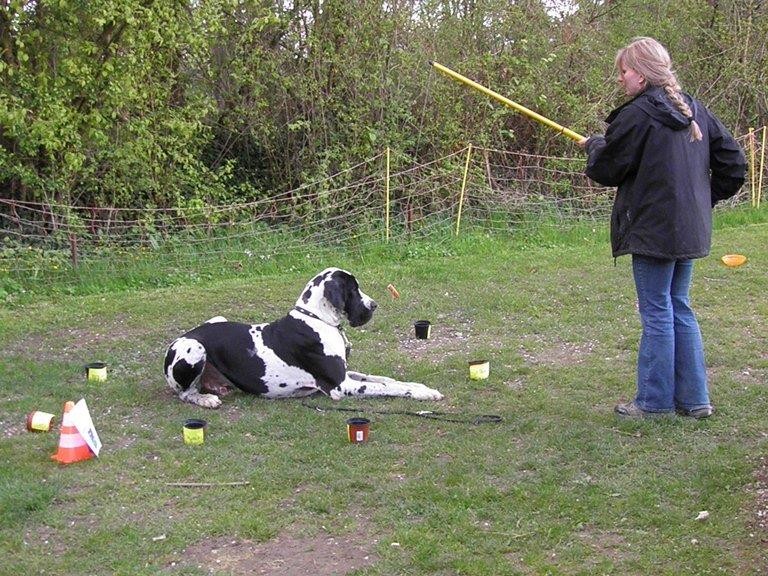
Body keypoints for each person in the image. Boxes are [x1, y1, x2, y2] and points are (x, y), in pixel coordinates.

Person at [580, 37, 747, 419]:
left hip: (655, 231)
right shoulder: (691, 108)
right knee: (677, 307)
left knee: (658, 310)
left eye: (623, 72)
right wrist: (699, 202)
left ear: (640, 73)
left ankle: (654, 402)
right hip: (685, 229)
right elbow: (734, 165)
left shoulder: (639, 115)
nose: (620, 79)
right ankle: (694, 399)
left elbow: (607, 169)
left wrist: (595, 147)